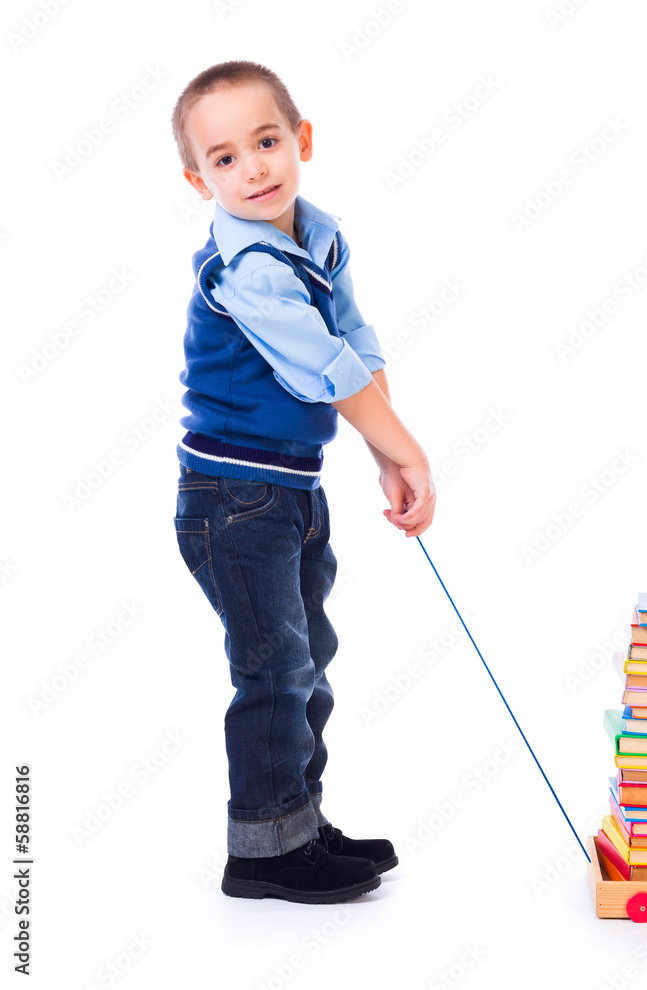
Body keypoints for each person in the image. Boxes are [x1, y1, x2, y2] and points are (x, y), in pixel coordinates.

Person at [170, 60, 436, 904]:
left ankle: (296, 818)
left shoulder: (313, 233)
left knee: (307, 661)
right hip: (233, 503)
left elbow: (352, 338)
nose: (252, 168)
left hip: (288, 492)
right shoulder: (247, 269)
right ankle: (263, 853)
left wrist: (384, 451)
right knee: (275, 671)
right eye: (223, 158)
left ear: (302, 139)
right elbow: (325, 369)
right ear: (196, 177)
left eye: (267, 140)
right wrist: (410, 450)